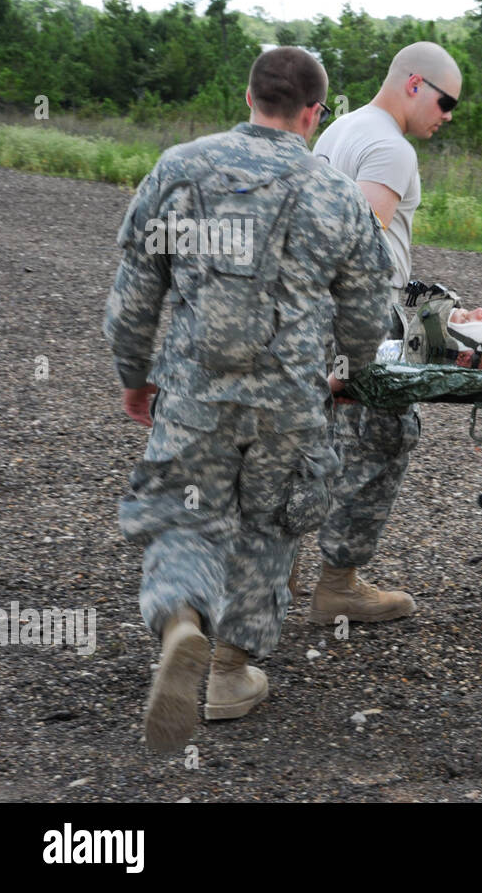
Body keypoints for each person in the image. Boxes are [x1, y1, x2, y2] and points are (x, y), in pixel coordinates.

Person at [104, 46, 392, 751]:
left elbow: (135, 294)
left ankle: (178, 619)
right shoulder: (335, 192)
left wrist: (134, 375)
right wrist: (354, 372)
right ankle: (230, 671)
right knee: (268, 521)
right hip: (289, 398)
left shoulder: (178, 168)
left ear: (248, 95)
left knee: (182, 512)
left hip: (195, 389)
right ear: (313, 112)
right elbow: (367, 309)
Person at [302, 41, 462, 625]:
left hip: (316, 315)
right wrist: (360, 349)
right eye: (447, 102)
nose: (448, 116)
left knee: (318, 438)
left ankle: (285, 566)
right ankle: (337, 584)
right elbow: (361, 251)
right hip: (354, 320)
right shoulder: (392, 149)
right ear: (415, 85)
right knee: (388, 434)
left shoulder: (340, 130)